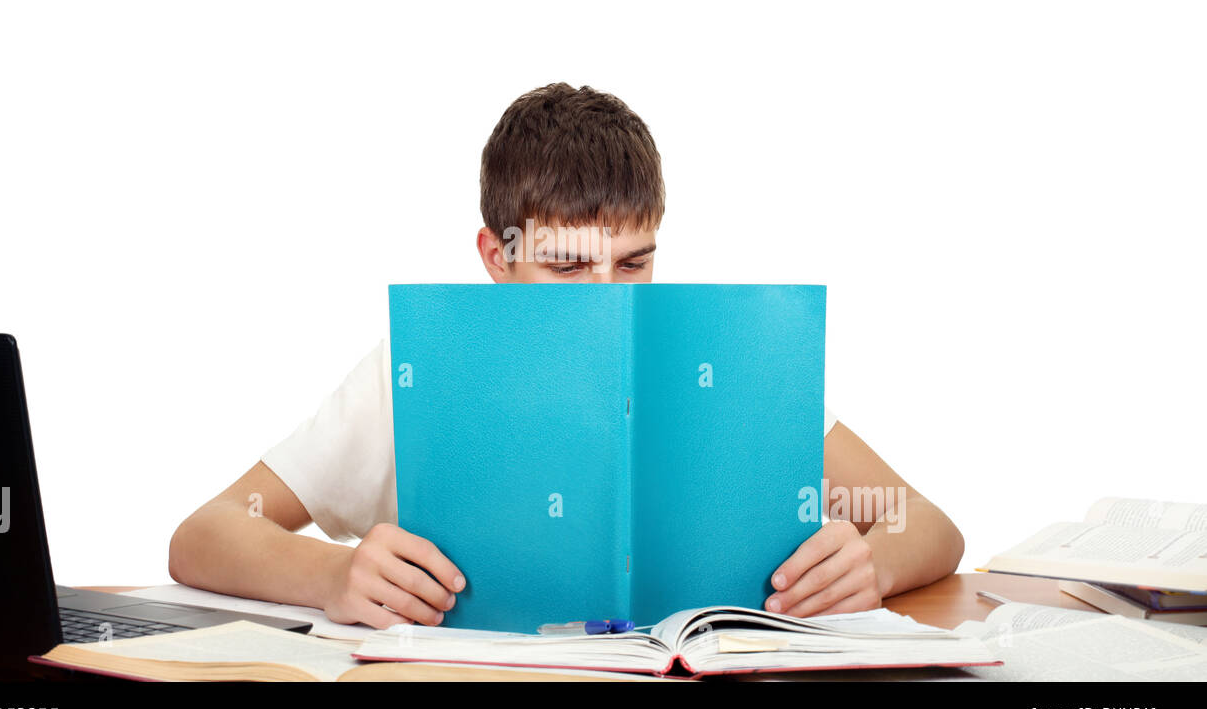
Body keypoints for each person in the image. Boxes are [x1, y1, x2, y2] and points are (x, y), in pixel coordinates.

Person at [168, 82, 964, 628]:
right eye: (570, 265)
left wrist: (877, 564)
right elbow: (205, 533)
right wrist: (332, 578)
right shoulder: (413, 373)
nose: (608, 296)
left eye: (634, 261)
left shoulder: (728, 368)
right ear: (496, 253)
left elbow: (927, 522)